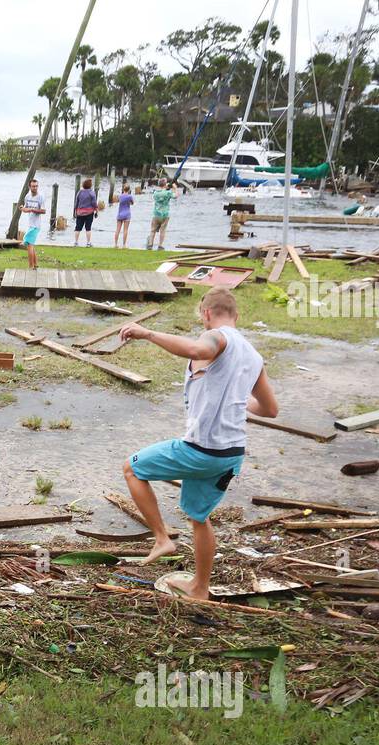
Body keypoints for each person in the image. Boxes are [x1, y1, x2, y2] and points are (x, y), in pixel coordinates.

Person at [118, 288, 278, 602]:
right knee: (198, 517)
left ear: (206, 313)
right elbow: (270, 409)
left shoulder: (218, 338)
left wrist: (147, 332)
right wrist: (237, 402)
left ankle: (162, 538)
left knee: (132, 469)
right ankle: (199, 589)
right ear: (237, 315)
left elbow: (195, 350)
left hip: (201, 450)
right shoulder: (253, 355)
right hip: (231, 454)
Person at [147, 178, 178, 250]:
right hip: (165, 214)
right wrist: (175, 188)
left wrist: (165, 188)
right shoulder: (168, 193)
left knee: (153, 230)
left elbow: (161, 193)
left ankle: (150, 245)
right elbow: (175, 196)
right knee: (162, 231)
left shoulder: (155, 193)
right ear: (165, 184)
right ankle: (160, 245)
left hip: (156, 214)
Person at [20, 179, 45, 268]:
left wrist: (32, 210)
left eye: (36, 186)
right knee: (31, 245)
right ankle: (35, 264)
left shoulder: (41, 197)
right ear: (29, 187)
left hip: (36, 225)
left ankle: (31, 266)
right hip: (30, 224)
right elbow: (25, 209)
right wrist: (23, 208)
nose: (35, 188)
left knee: (29, 244)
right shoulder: (27, 196)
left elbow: (43, 211)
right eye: (33, 186)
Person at [73, 177, 98, 247]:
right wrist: (96, 210)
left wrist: (75, 211)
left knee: (78, 227)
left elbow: (76, 202)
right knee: (88, 228)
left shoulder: (80, 192)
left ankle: (76, 242)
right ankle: (88, 243)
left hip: (79, 213)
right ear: (90, 185)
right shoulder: (91, 193)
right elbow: (94, 203)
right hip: (89, 213)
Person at [112, 181, 133, 248]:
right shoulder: (130, 196)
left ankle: (115, 244)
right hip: (127, 214)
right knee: (125, 230)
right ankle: (124, 245)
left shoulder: (120, 196)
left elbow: (117, 201)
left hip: (120, 214)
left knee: (117, 229)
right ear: (129, 189)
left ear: (123, 189)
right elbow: (132, 203)